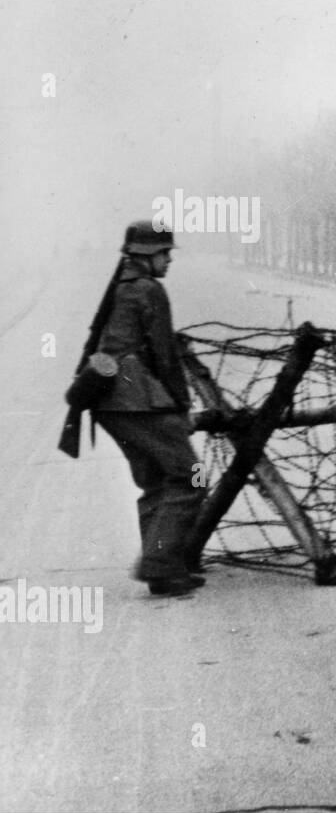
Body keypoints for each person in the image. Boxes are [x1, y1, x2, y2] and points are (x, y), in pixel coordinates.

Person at [93, 221, 206, 595]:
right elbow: (165, 357)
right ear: (146, 255)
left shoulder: (121, 286)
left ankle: (164, 569)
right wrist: (183, 405)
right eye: (164, 253)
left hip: (109, 402)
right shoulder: (149, 290)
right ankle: (158, 564)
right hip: (137, 399)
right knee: (191, 478)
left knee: (156, 481)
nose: (169, 259)